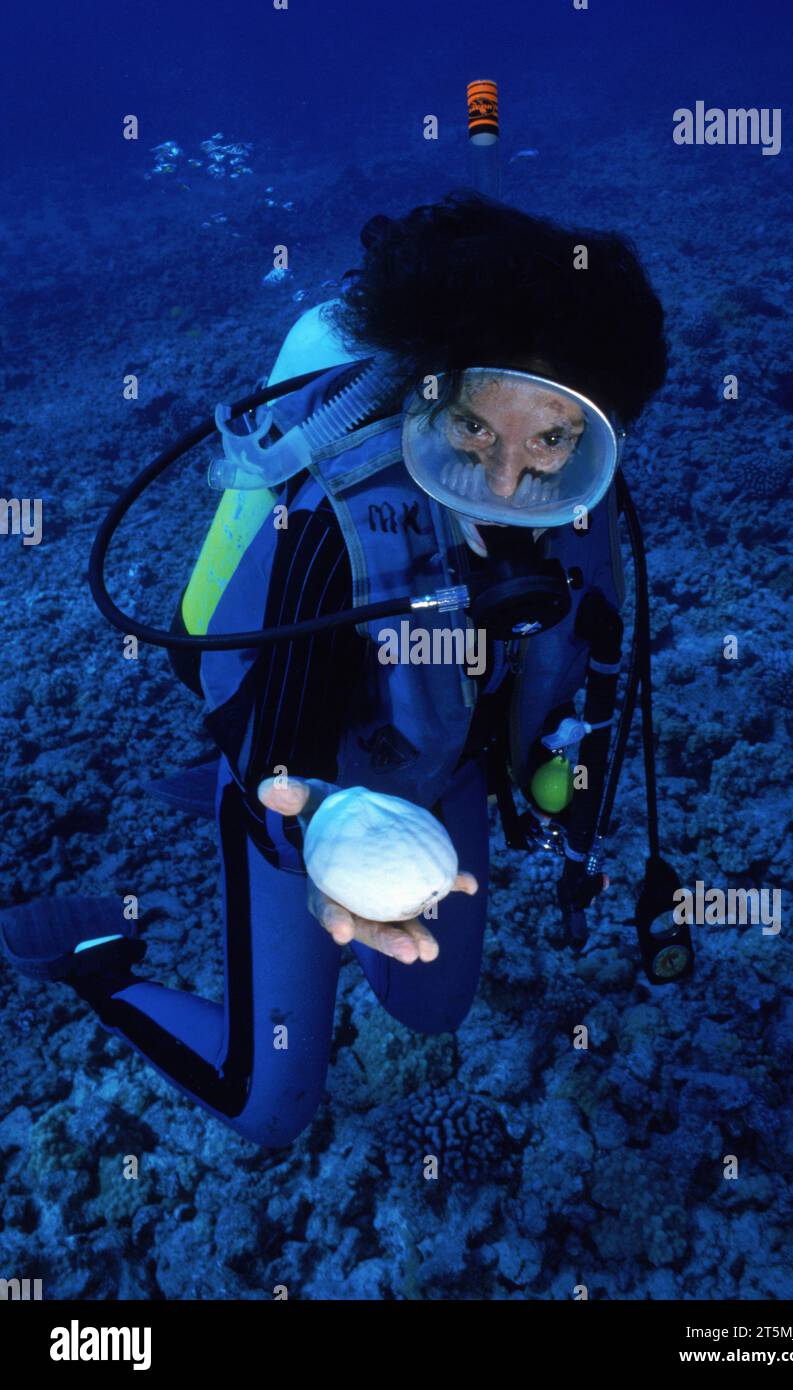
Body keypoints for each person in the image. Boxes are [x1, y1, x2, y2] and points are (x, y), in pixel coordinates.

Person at [0, 193, 668, 1148]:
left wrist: (564, 804)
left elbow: (585, 686)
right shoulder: (338, 511)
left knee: (433, 1010)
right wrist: (312, 826)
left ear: (596, 433)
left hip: (440, 768)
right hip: (306, 782)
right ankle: (95, 957)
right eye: (478, 430)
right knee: (267, 1105)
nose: (511, 484)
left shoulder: (589, 506)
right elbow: (278, 754)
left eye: (553, 439)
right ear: (432, 396)